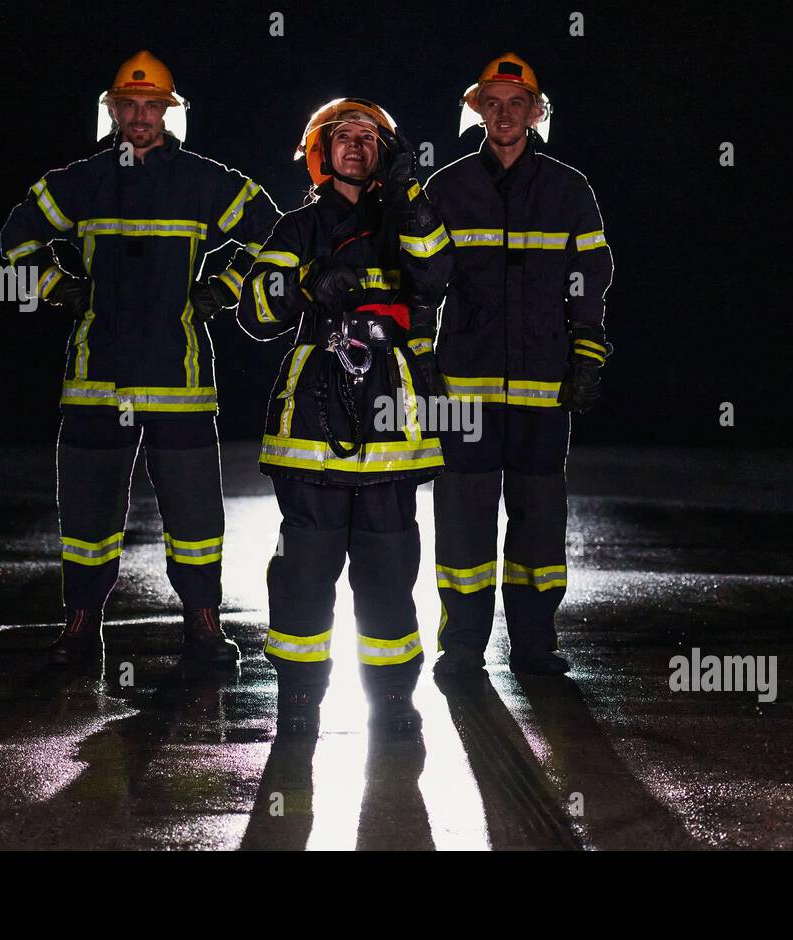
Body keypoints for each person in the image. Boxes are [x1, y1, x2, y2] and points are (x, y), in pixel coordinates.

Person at [0, 50, 281, 667]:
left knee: (197, 515)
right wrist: (58, 287)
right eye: (129, 106)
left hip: (178, 383)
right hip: (95, 384)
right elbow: (17, 232)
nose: (140, 117)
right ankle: (80, 624)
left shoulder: (205, 180)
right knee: (87, 513)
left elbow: (273, 236)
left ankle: (203, 624)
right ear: (114, 110)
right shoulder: (85, 178)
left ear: (169, 113)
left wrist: (225, 289)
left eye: (151, 107)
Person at [238, 98, 452, 734]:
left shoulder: (408, 219)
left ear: (385, 153)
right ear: (321, 153)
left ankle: (392, 698)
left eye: (369, 138)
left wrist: (409, 194)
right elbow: (258, 315)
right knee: (305, 567)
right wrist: (308, 285)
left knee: (388, 566)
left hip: (391, 409)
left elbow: (435, 273)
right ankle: (299, 695)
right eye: (343, 137)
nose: (355, 146)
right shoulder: (297, 226)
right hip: (313, 414)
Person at [426, 53, 613, 677]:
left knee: (539, 521)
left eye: (516, 102)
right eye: (492, 102)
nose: (503, 114)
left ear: (536, 112)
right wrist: (423, 367)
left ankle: (535, 644)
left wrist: (587, 348)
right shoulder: (447, 188)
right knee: (462, 522)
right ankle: (462, 647)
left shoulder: (569, 189)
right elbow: (421, 282)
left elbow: (590, 278)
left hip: (542, 386)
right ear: (477, 109)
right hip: (464, 389)